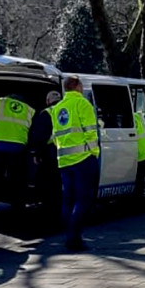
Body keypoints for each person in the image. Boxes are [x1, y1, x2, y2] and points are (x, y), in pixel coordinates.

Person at [49, 79, 100, 252]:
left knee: (68, 199)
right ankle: (74, 238)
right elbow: (91, 131)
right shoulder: (82, 104)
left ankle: (68, 235)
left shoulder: (57, 108)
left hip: (64, 160)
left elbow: (55, 135)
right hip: (83, 158)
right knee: (83, 199)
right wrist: (94, 152)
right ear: (77, 87)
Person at [0, 92, 37, 215]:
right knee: (17, 179)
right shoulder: (29, 109)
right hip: (18, 148)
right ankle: (18, 208)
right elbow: (33, 131)